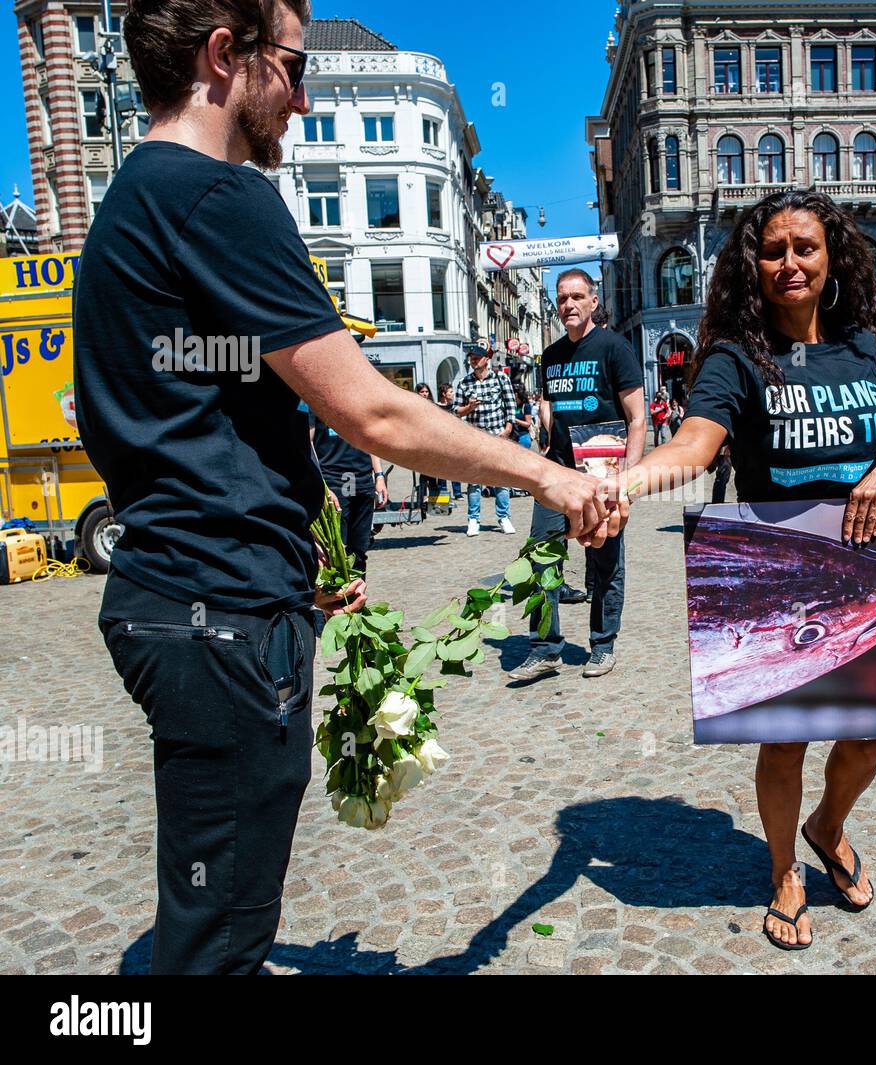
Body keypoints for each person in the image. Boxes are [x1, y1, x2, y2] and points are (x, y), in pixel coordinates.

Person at [73, 0, 622, 977]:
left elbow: (183, 422)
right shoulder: (217, 198)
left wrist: (301, 547)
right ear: (220, 56)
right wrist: (551, 476)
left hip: (183, 595)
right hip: (222, 614)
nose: (304, 92)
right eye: (289, 64)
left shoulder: (132, 202)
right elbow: (374, 415)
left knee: (214, 918)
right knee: (218, 945)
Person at [616, 189, 876, 950]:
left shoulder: (863, 344)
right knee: (788, 740)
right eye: (773, 251)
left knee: (870, 736)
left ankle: (826, 824)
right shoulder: (737, 357)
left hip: (873, 560)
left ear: (832, 254)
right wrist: (622, 481)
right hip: (784, 567)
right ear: (753, 264)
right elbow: (697, 444)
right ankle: (782, 872)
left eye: (805, 246)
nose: (790, 263)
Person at [509, 268, 646, 681]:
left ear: (592, 301)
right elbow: (551, 406)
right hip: (556, 476)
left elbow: (637, 418)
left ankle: (602, 645)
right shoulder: (549, 357)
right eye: (562, 297)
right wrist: (546, 441)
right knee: (541, 558)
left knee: (604, 561)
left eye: (576, 297)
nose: (568, 304)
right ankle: (546, 648)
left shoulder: (614, 348)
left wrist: (630, 479)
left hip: (602, 475)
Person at [305, 405, 386, 574]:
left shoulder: (357, 401)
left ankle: (358, 597)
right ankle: (340, 598)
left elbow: (369, 438)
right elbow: (308, 443)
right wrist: (321, 484)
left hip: (363, 479)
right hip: (333, 480)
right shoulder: (315, 402)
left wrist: (379, 476)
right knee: (336, 552)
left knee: (359, 551)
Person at [454, 347, 518, 534]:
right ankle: (473, 520)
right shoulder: (464, 383)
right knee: (474, 480)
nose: (474, 361)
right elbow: (455, 411)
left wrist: (508, 429)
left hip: (498, 435)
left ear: (486, 360)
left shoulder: (500, 379)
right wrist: (469, 408)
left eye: (477, 358)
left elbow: (510, 404)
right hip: (476, 437)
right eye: (471, 358)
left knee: (501, 478)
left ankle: (504, 517)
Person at [434, 382, 463, 501]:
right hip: (440, 441)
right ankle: (443, 492)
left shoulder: (454, 407)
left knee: (455, 467)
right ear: (444, 394)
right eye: (450, 392)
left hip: (453, 440)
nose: (453, 394)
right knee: (442, 468)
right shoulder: (436, 407)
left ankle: (457, 492)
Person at [511, 381, 534, 451]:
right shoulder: (513, 405)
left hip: (523, 437)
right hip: (513, 437)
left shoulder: (526, 406)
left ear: (516, 394)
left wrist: (515, 420)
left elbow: (528, 424)